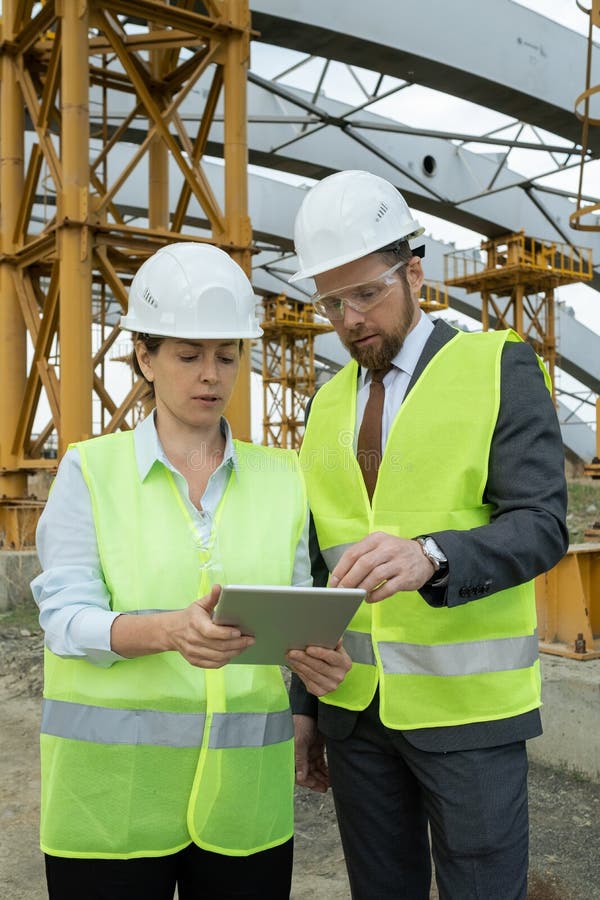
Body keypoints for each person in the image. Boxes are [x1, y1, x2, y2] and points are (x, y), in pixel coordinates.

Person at [31, 242, 351, 900]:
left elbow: (292, 617)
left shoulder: (284, 479)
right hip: (112, 808)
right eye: (188, 354)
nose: (212, 375)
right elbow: (65, 619)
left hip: (243, 813)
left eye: (227, 355)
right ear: (144, 357)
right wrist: (165, 631)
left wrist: (317, 670)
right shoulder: (90, 472)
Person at [288, 170, 568, 900]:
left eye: (368, 292)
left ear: (414, 274)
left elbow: (541, 524)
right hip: (353, 711)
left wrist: (432, 555)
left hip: (467, 714)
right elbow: (322, 569)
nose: (350, 318)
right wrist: (304, 707)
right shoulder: (324, 405)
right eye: (332, 302)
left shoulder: (496, 366)